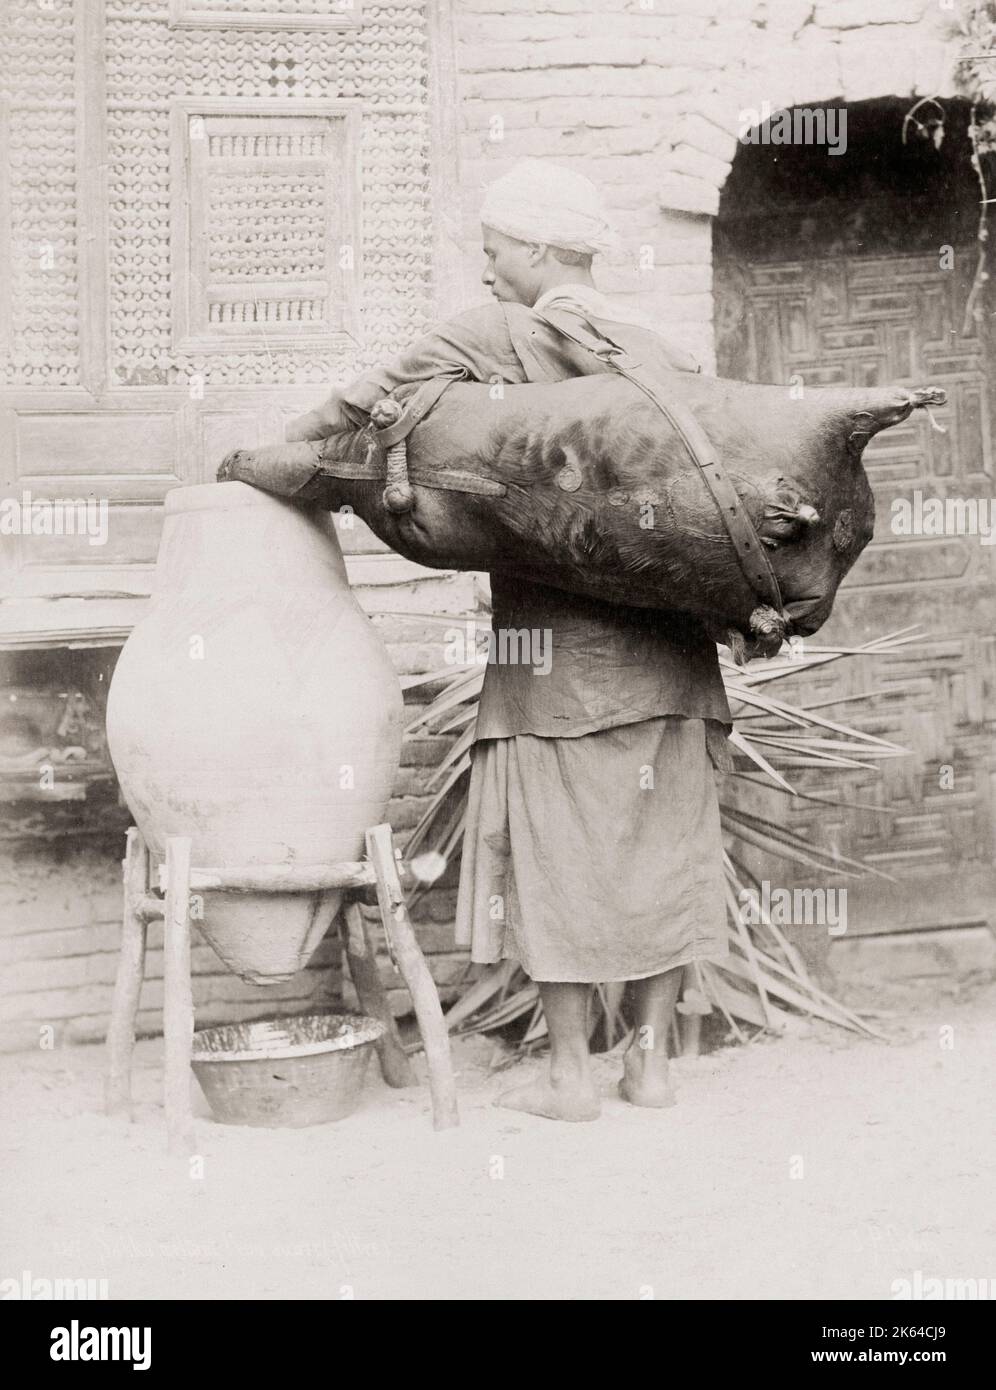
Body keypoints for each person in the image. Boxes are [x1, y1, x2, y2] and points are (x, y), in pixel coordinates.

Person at [286, 159, 734, 1122]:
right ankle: (650, 1070)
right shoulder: (657, 351)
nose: (487, 270)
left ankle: (573, 1078)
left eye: (494, 251)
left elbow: (355, 408)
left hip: (550, 669)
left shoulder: (489, 334)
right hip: (674, 666)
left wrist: (271, 456)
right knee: (661, 859)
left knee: (559, 863)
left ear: (536, 249)